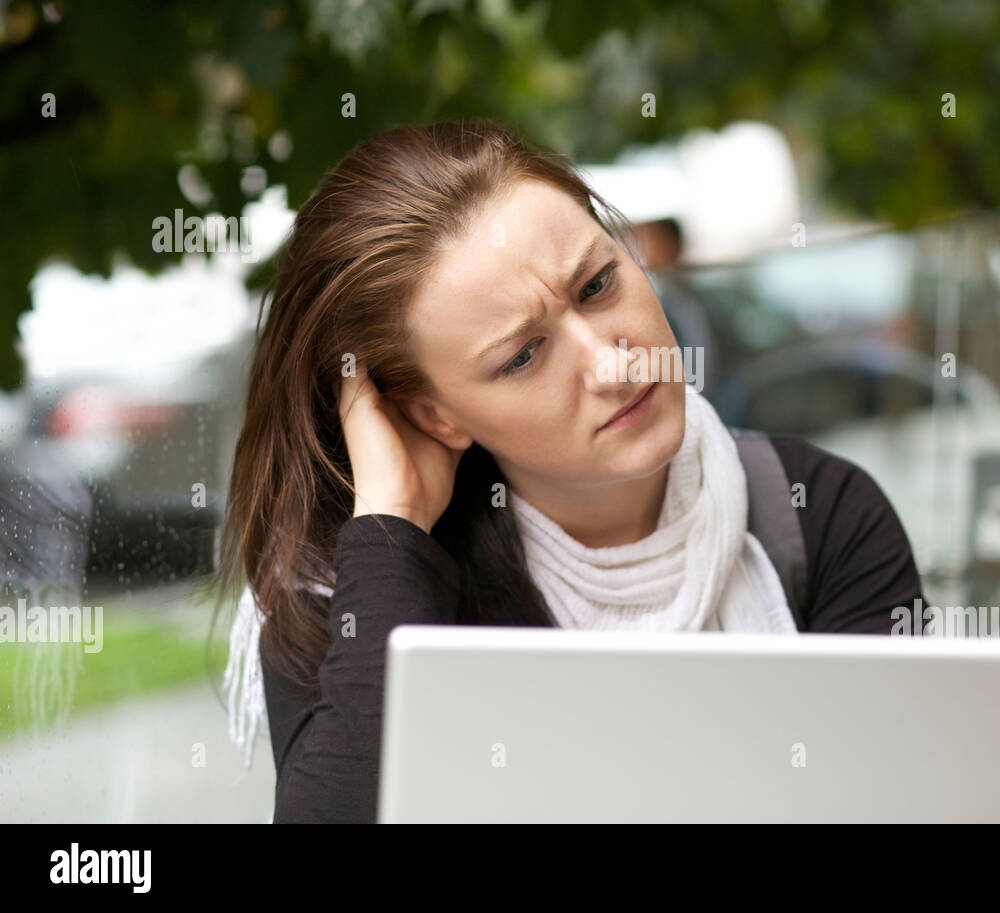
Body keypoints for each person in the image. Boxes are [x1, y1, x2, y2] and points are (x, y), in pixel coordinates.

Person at [212, 118, 926, 823]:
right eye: (522, 355)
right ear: (436, 416)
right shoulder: (350, 595)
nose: (614, 364)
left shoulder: (819, 515)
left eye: (597, 285)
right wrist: (392, 529)